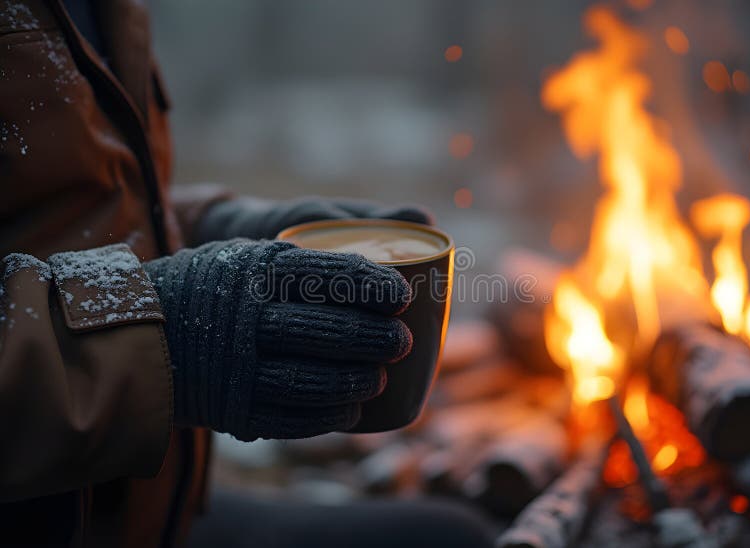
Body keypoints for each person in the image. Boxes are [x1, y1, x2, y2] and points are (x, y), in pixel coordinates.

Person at [0, 1, 496, 547]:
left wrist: (211, 228)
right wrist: (159, 337)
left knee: (454, 536)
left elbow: (64, 211)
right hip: (46, 521)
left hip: (141, 509)